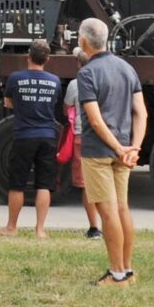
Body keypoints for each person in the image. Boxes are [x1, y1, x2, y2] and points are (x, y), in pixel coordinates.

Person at [75, 17, 145, 286]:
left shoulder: (87, 73)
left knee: (107, 213)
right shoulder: (127, 68)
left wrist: (116, 148)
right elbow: (141, 112)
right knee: (123, 209)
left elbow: (94, 119)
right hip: (125, 149)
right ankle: (128, 270)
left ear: (83, 42)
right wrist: (133, 148)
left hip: (98, 152)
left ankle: (116, 274)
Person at [0, 41, 65, 239]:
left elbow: (8, 103)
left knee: (17, 183)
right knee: (44, 183)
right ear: (48, 59)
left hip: (24, 135)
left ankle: (11, 228)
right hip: (47, 135)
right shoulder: (54, 81)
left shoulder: (16, 78)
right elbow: (55, 104)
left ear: (28, 56)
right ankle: (40, 229)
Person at [63, 77, 101, 239]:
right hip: (108, 135)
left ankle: (94, 228)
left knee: (87, 185)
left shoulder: (75, 84)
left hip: (83, 134)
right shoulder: (107, 80)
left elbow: (67, 109)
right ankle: (112, 223)